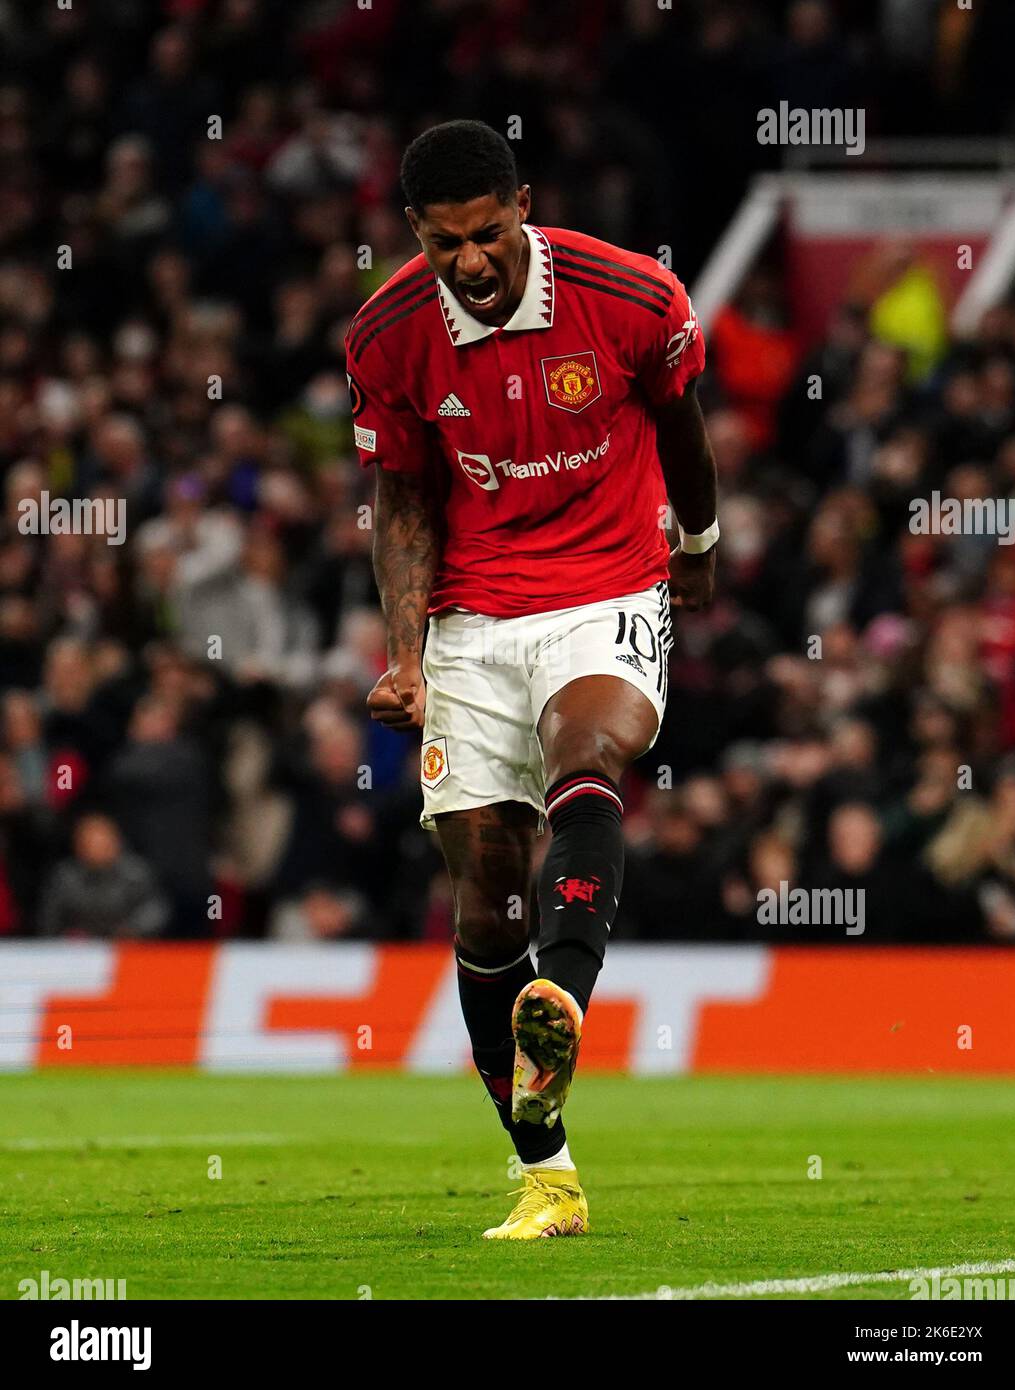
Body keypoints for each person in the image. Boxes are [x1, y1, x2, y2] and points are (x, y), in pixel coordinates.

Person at [346, 121, 718, 1240]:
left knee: (588, 750)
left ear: (523, 205)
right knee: (486, 880)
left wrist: (697, 545)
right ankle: (546, 1173)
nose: (469, 261)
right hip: (470, 610)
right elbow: (403, 500)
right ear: (415, 232)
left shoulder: (630, 295)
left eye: (487, 233)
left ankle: (564, 989)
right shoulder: (388, 336)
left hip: (608, 582)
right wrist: (408, 654)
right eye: (443, 241)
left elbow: (680, 421)